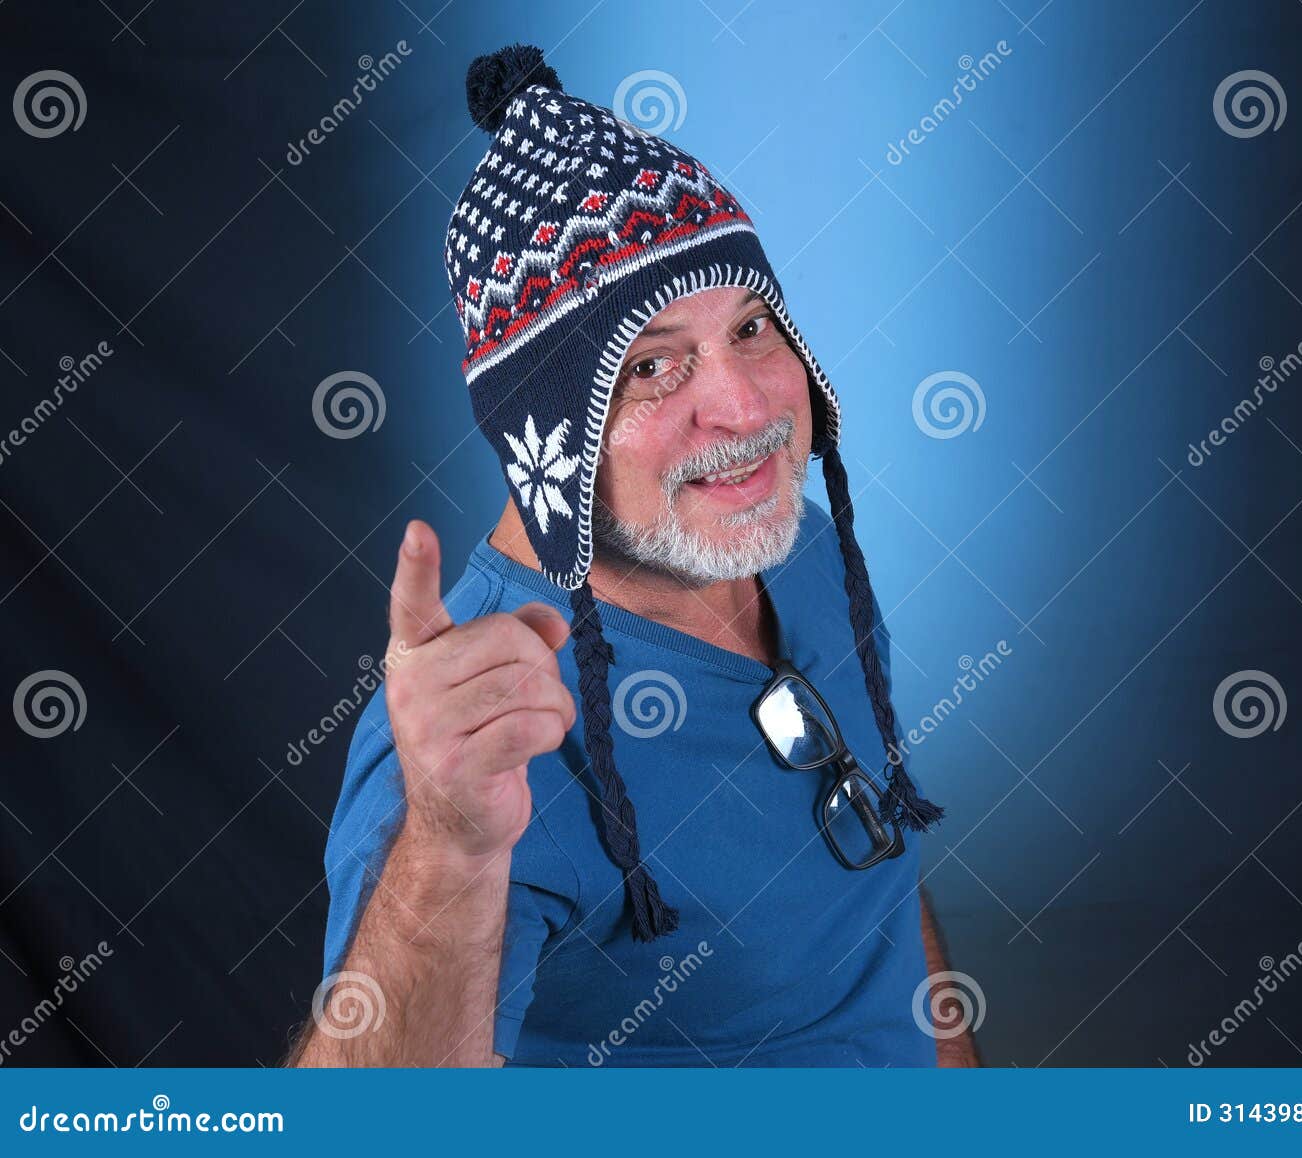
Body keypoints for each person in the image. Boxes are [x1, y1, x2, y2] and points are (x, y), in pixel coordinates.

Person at [287, 43, 972, 1067]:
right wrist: (452, 849)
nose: (744, 408)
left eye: (751, 327)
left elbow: (877, 899)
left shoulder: (798, 548)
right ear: (548, 433)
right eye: (650, 365)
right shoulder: (483, 735)